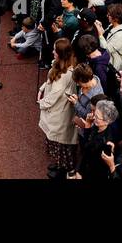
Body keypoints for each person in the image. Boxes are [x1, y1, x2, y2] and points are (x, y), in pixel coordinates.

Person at [38, 38, 79, 177]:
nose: (53, 52)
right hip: (60, 109)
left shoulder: (65, 74)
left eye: (55, 50)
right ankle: (60, 165)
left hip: (61, 112)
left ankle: (66, 170)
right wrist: (44, 87)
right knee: (60, 142)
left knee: (62, 144)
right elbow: (51, 80)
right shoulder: (63, 65)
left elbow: (54, 95)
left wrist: (41, 103)